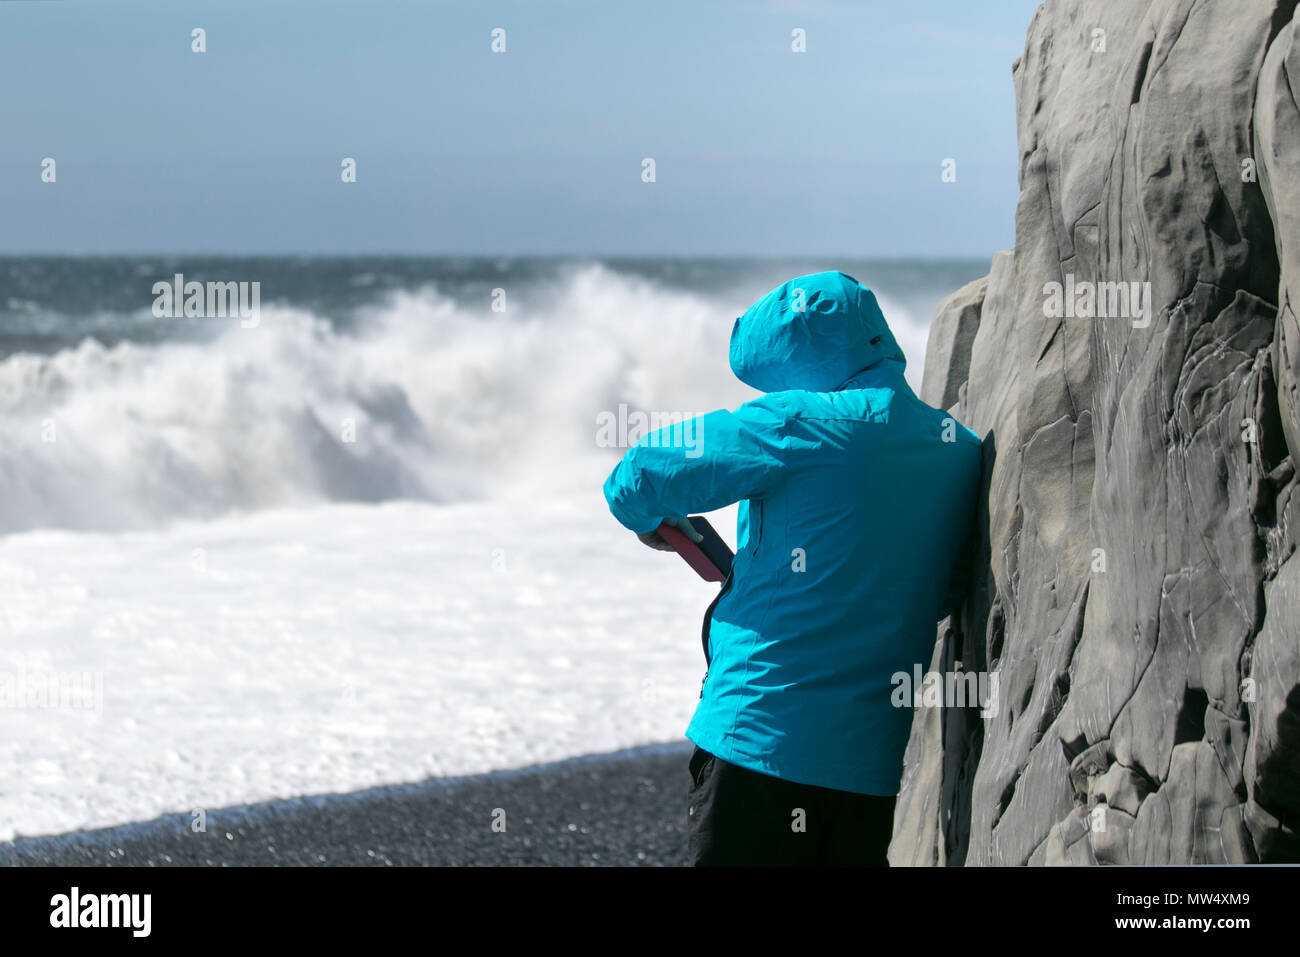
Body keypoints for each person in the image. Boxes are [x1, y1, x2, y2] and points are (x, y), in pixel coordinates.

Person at [602, 271, 982, 866]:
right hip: (868, 765)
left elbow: (640, 474)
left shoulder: (797, 423)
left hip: (757, 736)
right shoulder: (957, 448)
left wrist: (656, 522)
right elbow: (943, 590)